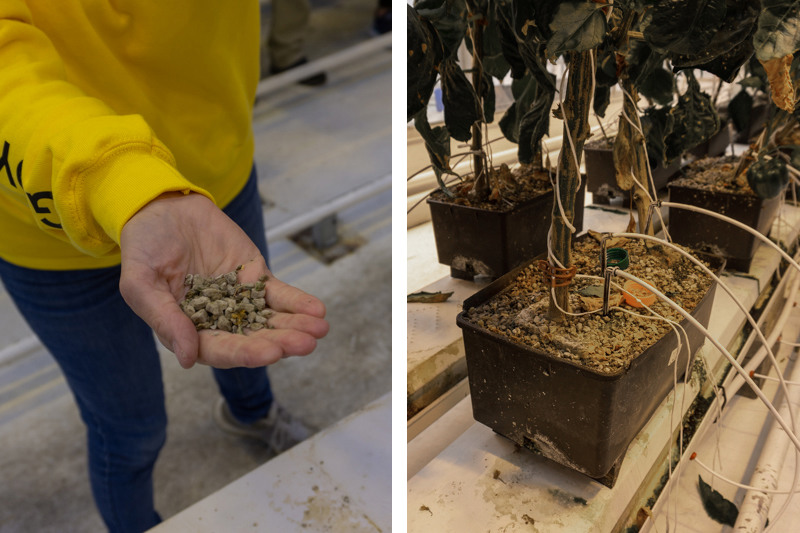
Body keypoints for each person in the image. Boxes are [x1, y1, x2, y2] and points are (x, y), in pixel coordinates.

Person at [0, 2, 329, 532]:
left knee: (246, 334)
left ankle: (253, 416)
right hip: (49, 227)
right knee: (128, 428)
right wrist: (123, 183)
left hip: (210, 172)